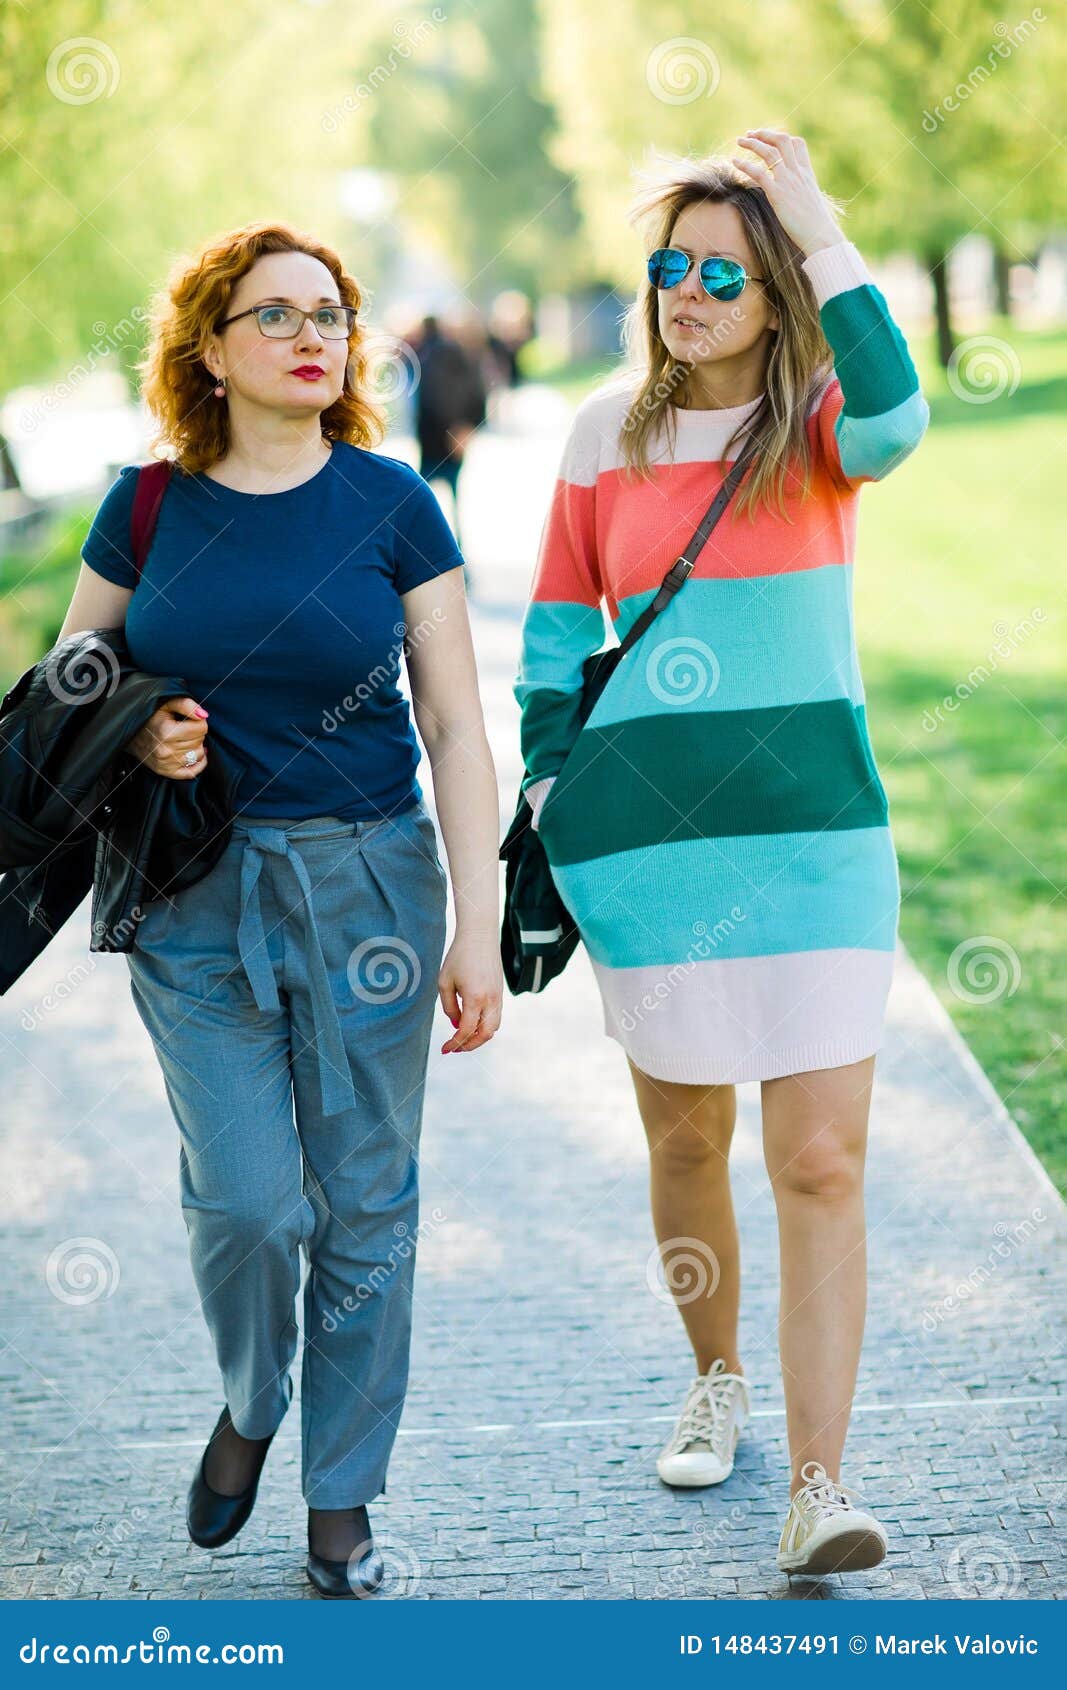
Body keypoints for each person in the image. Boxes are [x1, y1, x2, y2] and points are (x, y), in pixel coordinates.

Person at [58, 220, 503, 1598]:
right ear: (210, 347)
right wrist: (134, 736)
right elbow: (70, 676)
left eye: (332, 314)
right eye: (277, 315)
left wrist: (475, 926)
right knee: (251, 1202)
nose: (315, 335)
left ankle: (341, 1494)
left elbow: (455, 721)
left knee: (366, 1201)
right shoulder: (146, 507)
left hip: (369, 879)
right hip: (194, 894)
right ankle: (254, 1398)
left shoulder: (391, 503)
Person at [513, 132, 929, 1576]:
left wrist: (816, 219)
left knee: (819, 1157)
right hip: (650, 853)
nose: (686, 292)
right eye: (669, 268)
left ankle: (818, 1484)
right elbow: (557, 627)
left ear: (773, 298)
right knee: (686, 1136)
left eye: (723, 274)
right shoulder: (596, 438)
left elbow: (898, 415)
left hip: (817, 839)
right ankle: (714, 1375)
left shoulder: (813, 422)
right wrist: (555, 783)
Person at [414, 314, 487, 559]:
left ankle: (434, 557)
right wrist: (466, 429)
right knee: (448, 504)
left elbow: (436, 397)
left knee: (421, 504)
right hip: (449, 444)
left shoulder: (439, 354)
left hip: (438, 444)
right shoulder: (464, 356)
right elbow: (477, 396)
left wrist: (459, 429)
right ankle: (452, 556)